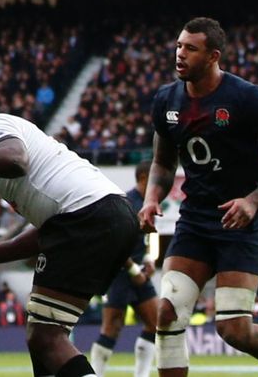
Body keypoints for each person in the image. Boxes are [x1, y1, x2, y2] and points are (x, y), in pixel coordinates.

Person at [137, 17, 258, 377]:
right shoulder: (166, 100)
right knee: (167, 314)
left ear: (213, 56)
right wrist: (152, 196)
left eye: (190, 48)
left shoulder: (246, 97)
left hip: (241, 224)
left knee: (234, 330)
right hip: (195, 221)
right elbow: (162, 162)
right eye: (179, 46)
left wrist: (252, 200)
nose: (180, 54)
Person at [0, 83, 141, 377]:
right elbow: (50, 230)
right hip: (107, 215)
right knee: (43, 340)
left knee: (45, 337)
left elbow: (15, 160)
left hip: (89, 217)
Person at [91, 160, 161, 377]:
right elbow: (115, 242)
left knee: (155, 322)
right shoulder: (128, 202)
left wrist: (149, 258)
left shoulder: (147, 202)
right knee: (112, 327)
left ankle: (141, 375)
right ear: (142, 177)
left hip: (139, 272)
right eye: (154, 177)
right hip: (121, 273)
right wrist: (133, 270)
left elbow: (146, 235)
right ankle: (95, 374)